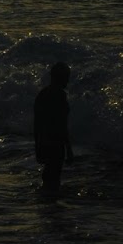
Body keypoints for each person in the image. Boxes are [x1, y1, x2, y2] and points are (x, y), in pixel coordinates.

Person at [34, 62, 73, 193]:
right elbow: (62, 123)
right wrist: (69, 148)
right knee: (54, 176)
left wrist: (37, 145)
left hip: (44, 141)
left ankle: (47, 204)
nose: (67, 81)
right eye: (66, 78)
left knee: (49, 174)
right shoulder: (60, 95)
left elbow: (37, 123)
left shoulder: (43, 94)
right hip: (56, 142)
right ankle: (50, 207)